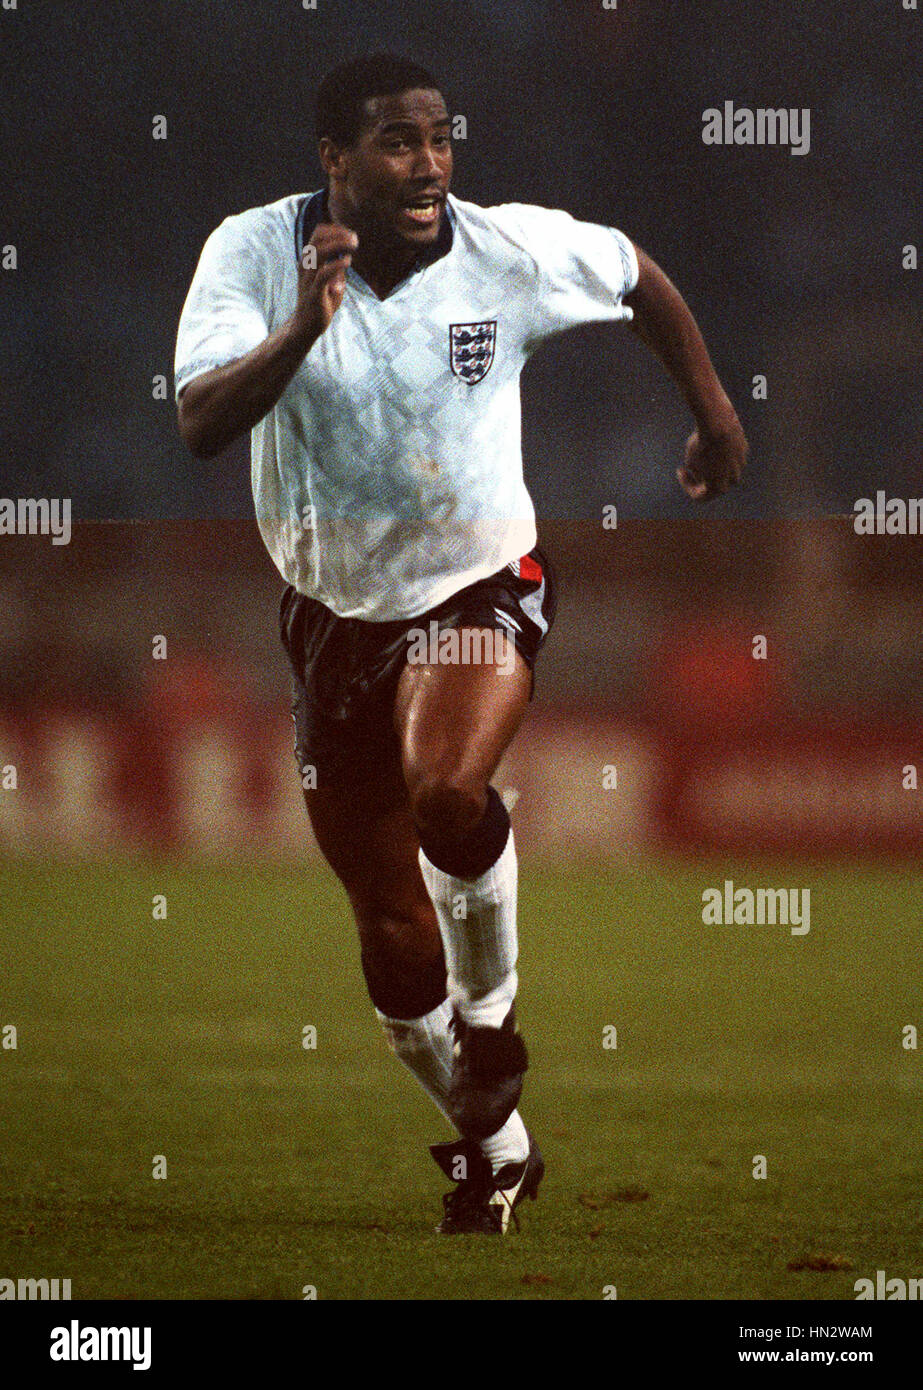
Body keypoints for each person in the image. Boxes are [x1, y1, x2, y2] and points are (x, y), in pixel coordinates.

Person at [174, 52, 748, 1234]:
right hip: (330, 613)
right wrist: (303, 324)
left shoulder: (509, 251)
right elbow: (199, 420)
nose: (428, 164)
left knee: (447, 789)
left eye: (439, 138)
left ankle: (492, 1017)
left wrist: (714, 413)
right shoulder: (250, 252)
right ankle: (498, 1145)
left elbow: (637, 276)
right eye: (395, 143)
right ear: (333, 162)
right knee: (390, 945)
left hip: (474, 581)